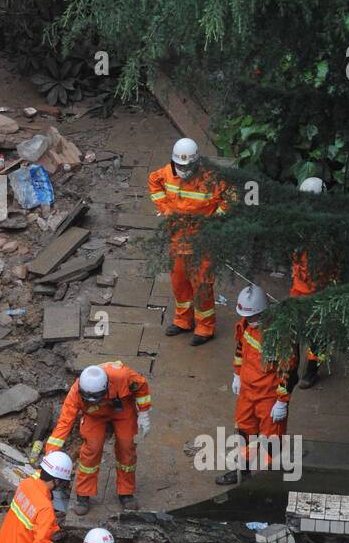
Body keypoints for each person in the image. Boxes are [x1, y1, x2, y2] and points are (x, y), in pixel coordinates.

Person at [148, 137, 229, 346]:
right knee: (179, 282)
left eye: (187, 165)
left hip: (203, 243)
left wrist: (215, 221)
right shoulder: (166, 172)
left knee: (202, 285)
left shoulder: (211, 178)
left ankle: (205, 327)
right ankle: (183, 320)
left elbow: (230, 199)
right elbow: (153, 183)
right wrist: (165, 209)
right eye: (179, 165)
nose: (183, 169)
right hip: (178, 241)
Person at [215, 283, 297, 484]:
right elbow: (240, 351)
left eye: (252, 317)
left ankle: (270, 477)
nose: (249, 320)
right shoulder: (245, 325)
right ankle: (243, 470)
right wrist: (237, 375)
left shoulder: (280, 336)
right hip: (247, 393)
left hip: (269, 397)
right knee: (244, 432)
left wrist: (282, 401)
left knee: (272, 439)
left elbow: (289, 370)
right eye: (247, 317)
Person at [45, 362, 151, 513]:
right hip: (94, 414)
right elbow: (64, 422)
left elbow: (142, 385)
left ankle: (126, 492)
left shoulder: (123, 376)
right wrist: (51, 453)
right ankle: (83, 495)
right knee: (92, 449)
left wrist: (144, 413)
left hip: (122, 408)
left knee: (126, 446)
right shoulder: (76, 392)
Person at [290, 177, 330, 389]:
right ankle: (292, 366)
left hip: (318, 289)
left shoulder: (328, 227)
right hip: (299, 286)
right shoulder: (300, 218)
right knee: (293, 328)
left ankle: (313, 369)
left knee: (316, 332)